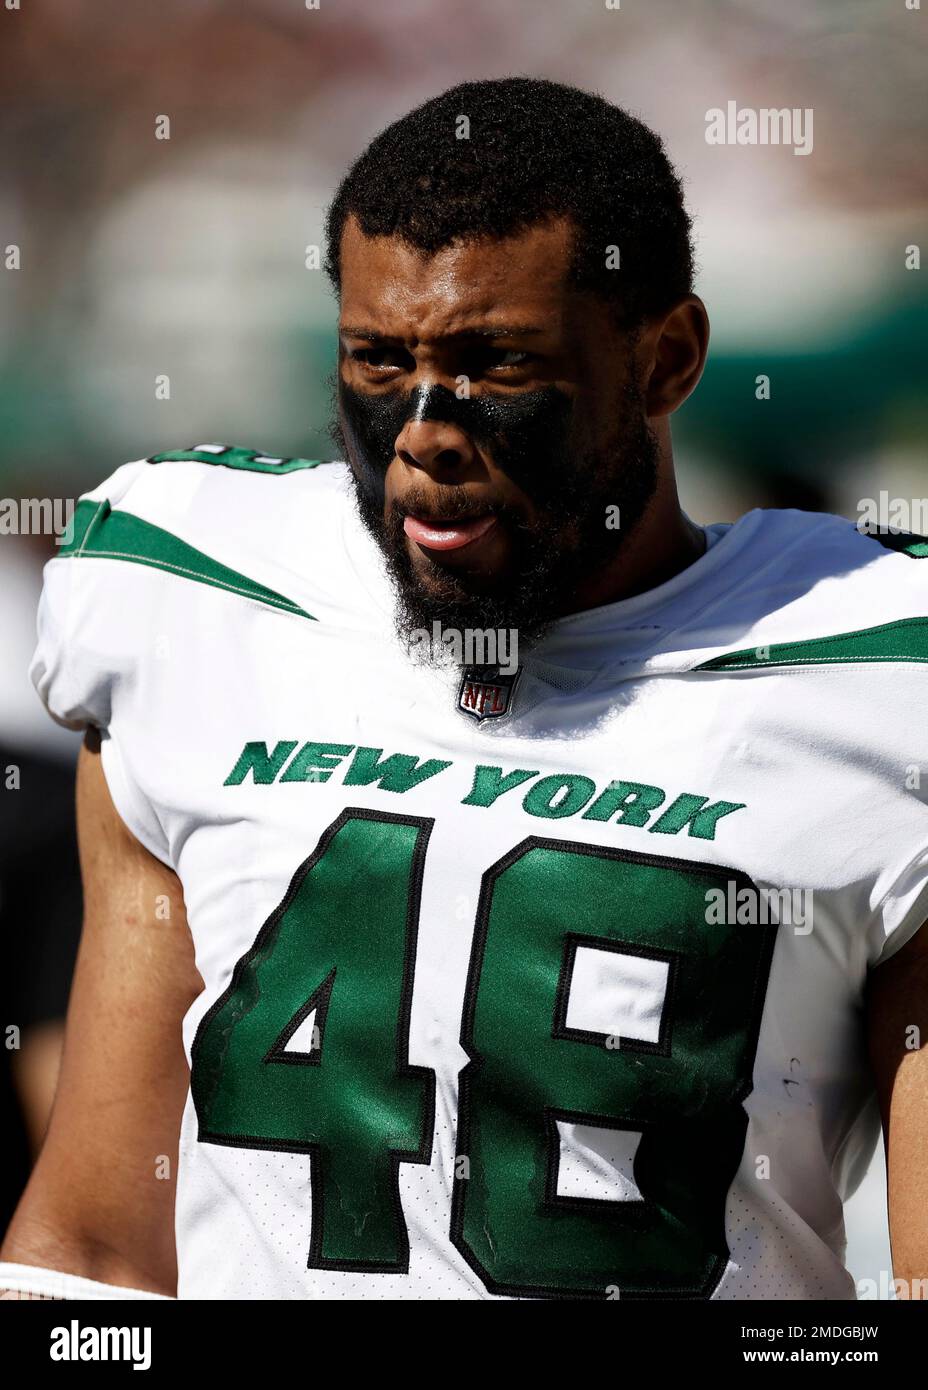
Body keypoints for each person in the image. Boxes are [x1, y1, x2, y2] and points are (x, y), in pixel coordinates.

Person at [2, 77, 927, 1302]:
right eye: (380, 361)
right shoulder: (196, 599)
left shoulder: (874, 676)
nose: (426, 432)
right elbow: (95, 1246)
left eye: (497, 367)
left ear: (666, 360)